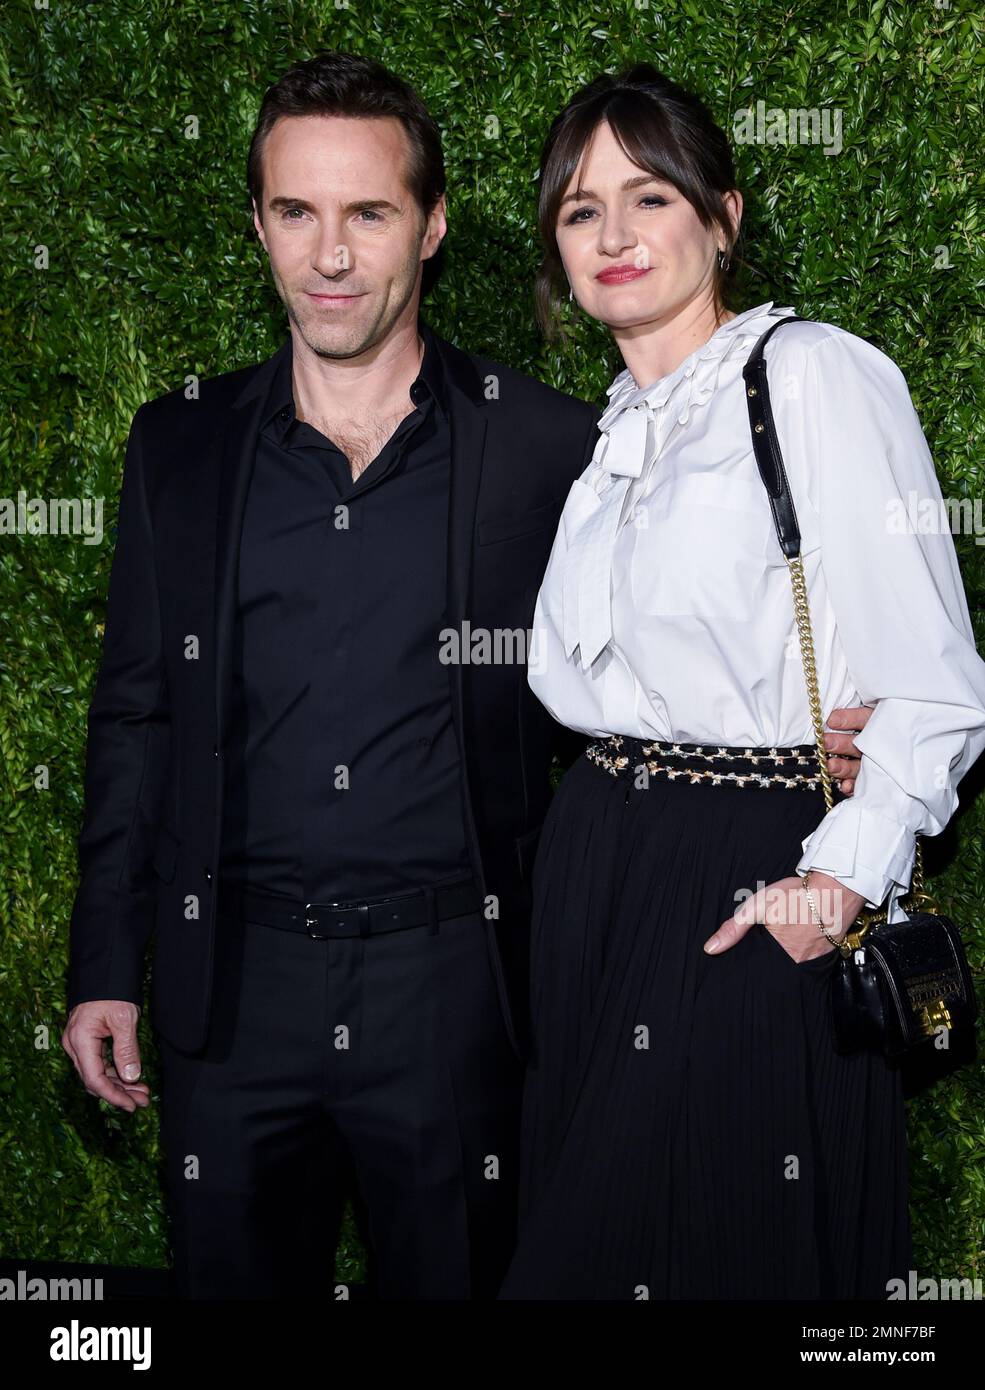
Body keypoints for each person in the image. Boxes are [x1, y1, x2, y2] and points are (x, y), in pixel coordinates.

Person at [59, 50, 873, 1301]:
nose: (331, 254)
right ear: (258, 225)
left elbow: (656, 633)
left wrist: (804, 750)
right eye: (296, 211)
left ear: (430, 226)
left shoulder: (556, 443)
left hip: (463, 998)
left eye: (368, 212)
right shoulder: (179, 444)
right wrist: (107, 963)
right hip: (231, 1002)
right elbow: (135, 715)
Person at [498, 64, 985, 1301]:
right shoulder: (607, 433)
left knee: (711, 1242)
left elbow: (930, 680)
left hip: (740, 874)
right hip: (594, 869)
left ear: (721, 213)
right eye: (579, 208)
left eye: (648, 196)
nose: (613, 235)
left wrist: (832, 878)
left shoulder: (810, 375)